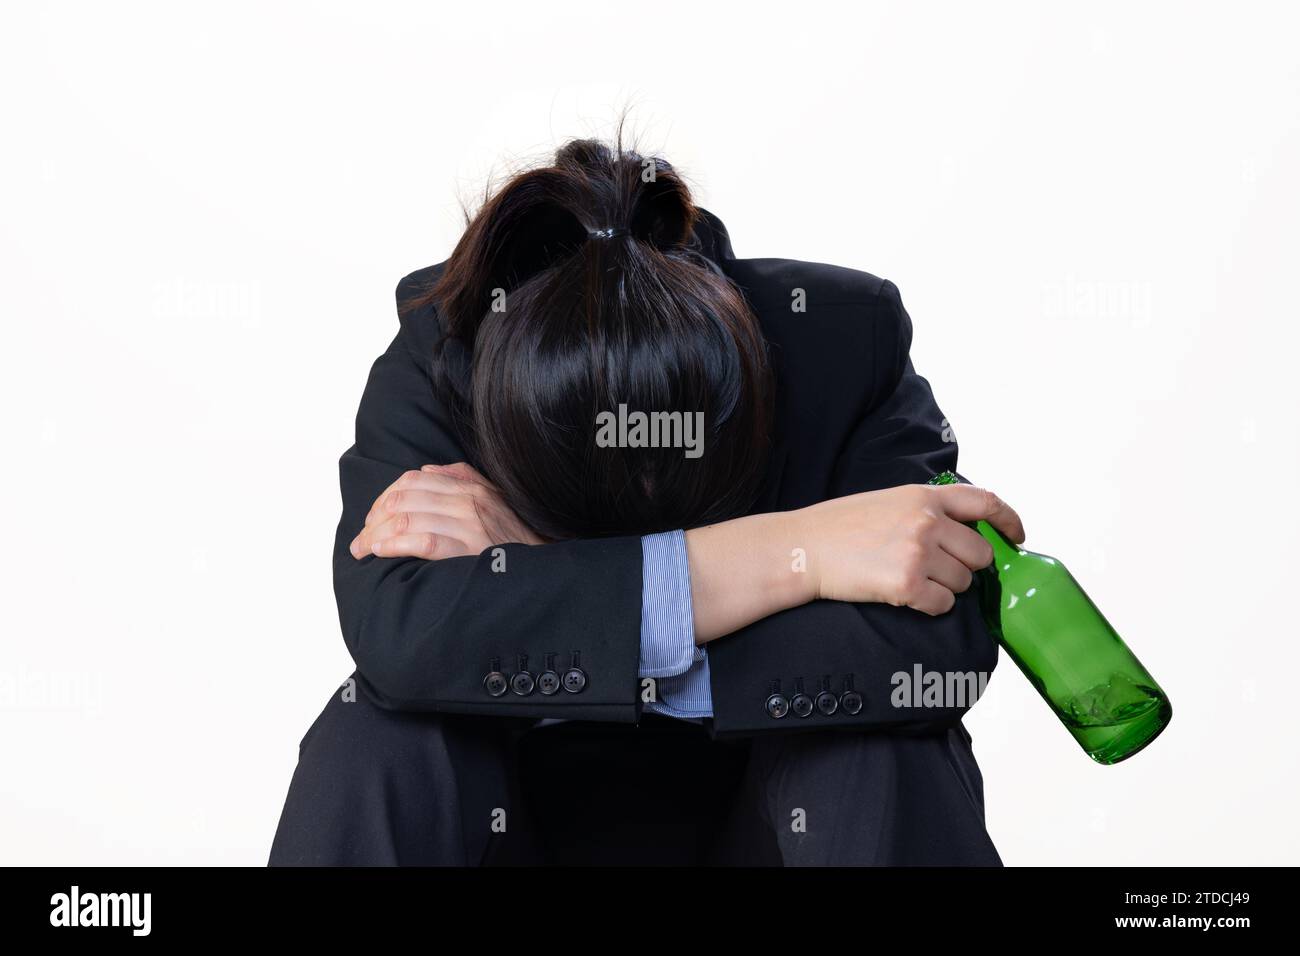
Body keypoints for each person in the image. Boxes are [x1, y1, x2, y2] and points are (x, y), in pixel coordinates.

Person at [268, 133, 1026, 866]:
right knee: (373, 735)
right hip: (515, 824)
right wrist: (798, 558)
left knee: (879, 740)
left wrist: (550, 576)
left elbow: (938, 644)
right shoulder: (451, 344)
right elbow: (402, 639)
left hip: (781, 821)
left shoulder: (837, 337)